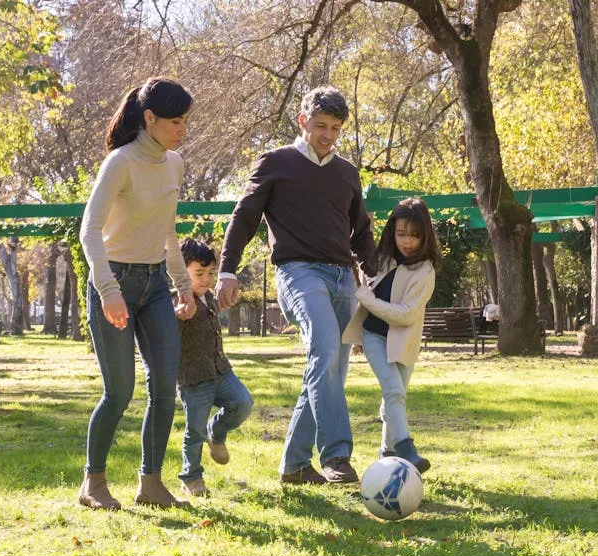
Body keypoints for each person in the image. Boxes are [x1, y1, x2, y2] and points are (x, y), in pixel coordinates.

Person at [215, 86, 376, 485]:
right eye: (321, 125)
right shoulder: (276, 162)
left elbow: (362, 233)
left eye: (336, 128)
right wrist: (227, 269)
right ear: (303, 121)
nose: (328, 135)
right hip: (298, 273)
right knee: (324, 351)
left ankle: (294, 464)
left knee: (329, 370)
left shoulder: (346, 173)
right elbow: (244, 217)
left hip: (342, 277)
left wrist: (374, 277)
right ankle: (337, 455)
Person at [78, 77, 196, 510]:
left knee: (166, 387)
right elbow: (89, 229)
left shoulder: (175, 163)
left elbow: (167, 230)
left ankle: (151, 484)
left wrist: (183, 286)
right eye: (175, 121)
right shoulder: (120, 163)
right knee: (119, 391)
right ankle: (93, 483)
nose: (183, 129)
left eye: (186, 121)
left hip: (154, 287)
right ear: (149, 118)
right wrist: (107, 289)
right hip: (115, 281)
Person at [342, 198, 441, 473]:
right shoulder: (380, 259)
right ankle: (407, 449)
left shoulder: (425, 271)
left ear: (425, 236)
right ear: (392, 232)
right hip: (374, 336)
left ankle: (386, 455)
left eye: (414, 235)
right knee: (394, 390)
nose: (407, 241)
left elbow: (406, 314)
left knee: (394, 398)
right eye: (401, 234)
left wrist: (367, 299)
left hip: (404, 343)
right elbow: (364, 279)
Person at [175, 238, 254, 498]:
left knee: (242, 403)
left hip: (221, 371)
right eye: (199, 273)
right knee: (194, 430)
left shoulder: (208, 296)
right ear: (179, 271)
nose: (206, 279)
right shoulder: (173, 301)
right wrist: (176, 315)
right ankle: (191, 477)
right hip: (194, 378)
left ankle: (216, 433)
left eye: (210, 273)